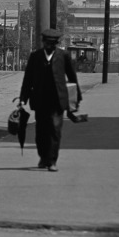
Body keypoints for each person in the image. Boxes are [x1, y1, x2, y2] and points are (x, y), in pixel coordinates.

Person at [19, 27, 80, 171]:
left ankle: (52, 161)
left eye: (52, 43)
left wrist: (76, 99)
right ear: (43, 42)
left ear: (56, 43)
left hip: (58, 100)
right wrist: (23, 98)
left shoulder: (63, 56)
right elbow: (28, 79)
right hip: (40, 100)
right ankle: (43, 157)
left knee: (55, 130)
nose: (49, 46)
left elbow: (72, 77)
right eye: (47, 43)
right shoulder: (35, 57)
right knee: (41, 132)